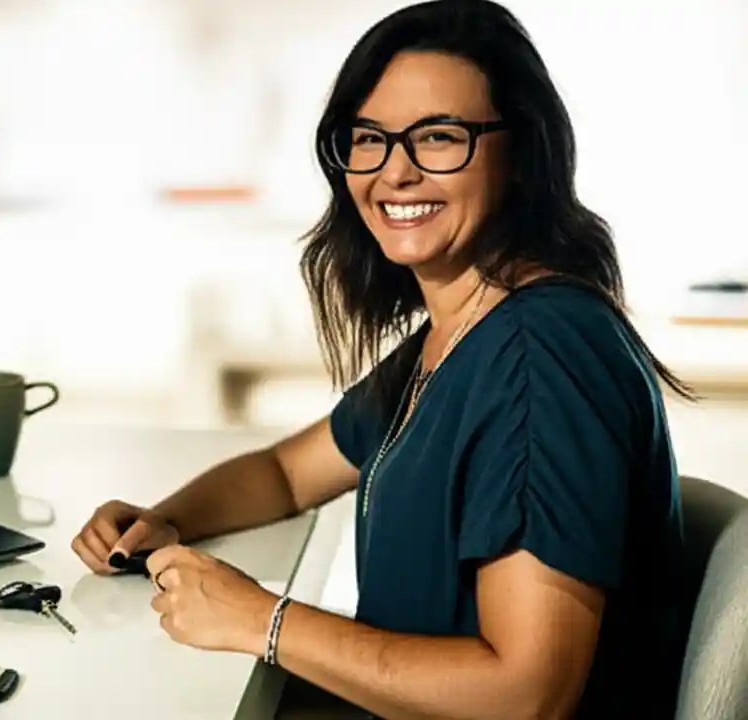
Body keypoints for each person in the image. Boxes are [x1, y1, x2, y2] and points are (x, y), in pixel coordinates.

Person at [71, 1, 691, 717]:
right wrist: (165, 521)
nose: (394, 173)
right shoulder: (458, 332)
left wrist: (261, 620)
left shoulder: (538, 356)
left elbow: (527, 696)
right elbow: (284, 473)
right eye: (370, 139)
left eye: (437, 137)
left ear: (520, 156)